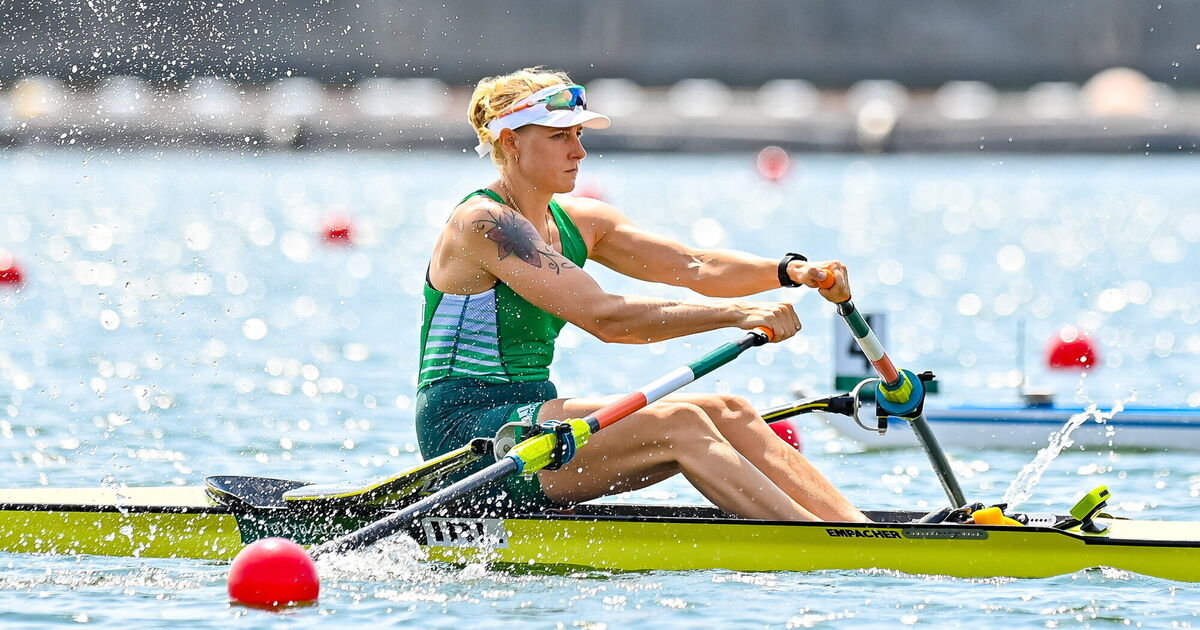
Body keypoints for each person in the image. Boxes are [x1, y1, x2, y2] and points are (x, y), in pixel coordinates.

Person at [416, 67, 866, 523]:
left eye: (577, 134)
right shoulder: (486, 224)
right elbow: (606, 318)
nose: (579, 151)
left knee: (729, 409)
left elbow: (695, 266)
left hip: (532, 418)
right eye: (559, 137)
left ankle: (859, 530)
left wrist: (791, 272)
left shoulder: (581, 221)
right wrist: (737, 315)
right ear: (510, 141)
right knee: (681, 423)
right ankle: (823, 545)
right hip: (469, 441)